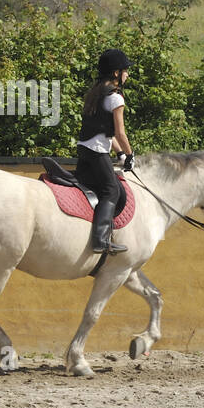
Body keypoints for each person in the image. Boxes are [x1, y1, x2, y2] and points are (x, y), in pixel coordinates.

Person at [75, 48, 136, 255]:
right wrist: (129, 155)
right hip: (97, 152)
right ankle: (101, 240)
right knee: (112, 190)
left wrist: (119, 154)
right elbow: (120, 133)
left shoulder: (95, 93)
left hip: (84, 149)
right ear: (116, 72)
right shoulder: (116, 98)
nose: (127, 74)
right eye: (125, 70)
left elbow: (104, 131)